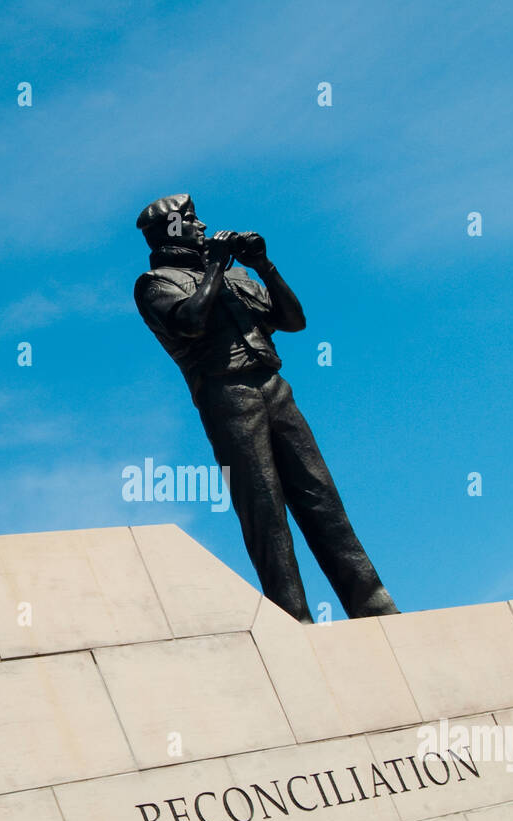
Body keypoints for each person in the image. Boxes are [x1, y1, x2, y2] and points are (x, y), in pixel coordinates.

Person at [133, 193, 397, 622]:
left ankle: (373, 603)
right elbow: (189, 322)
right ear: (171, 230)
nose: (201, 226)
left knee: (321, 498)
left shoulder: (238, 277)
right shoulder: (156, 283)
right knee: (264, 509)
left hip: (275, 388)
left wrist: (263, 265)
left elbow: (293, 320)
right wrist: (216, 267)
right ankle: (294, 616)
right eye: (191, 220)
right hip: (228, 396)